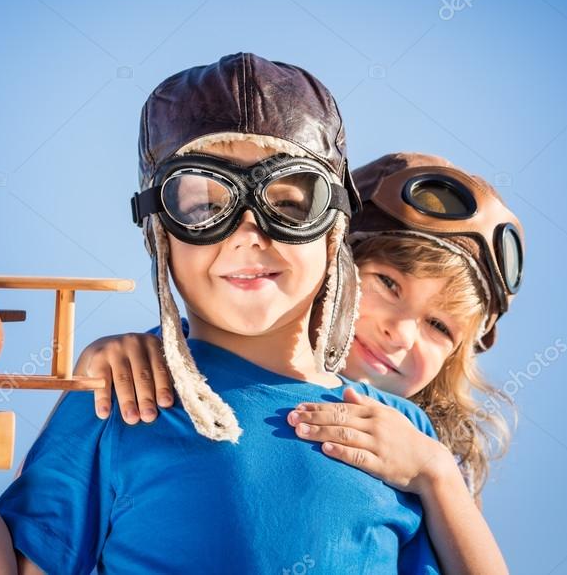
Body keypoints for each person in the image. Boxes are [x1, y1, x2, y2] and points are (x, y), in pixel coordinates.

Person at [76, 151, 524, 574]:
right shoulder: (164, 378)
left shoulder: (420, 457)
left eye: (439, 327)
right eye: (388, 283)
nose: (401, 333)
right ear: (331, 259)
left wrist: (437, 474)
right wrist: (114, 355)